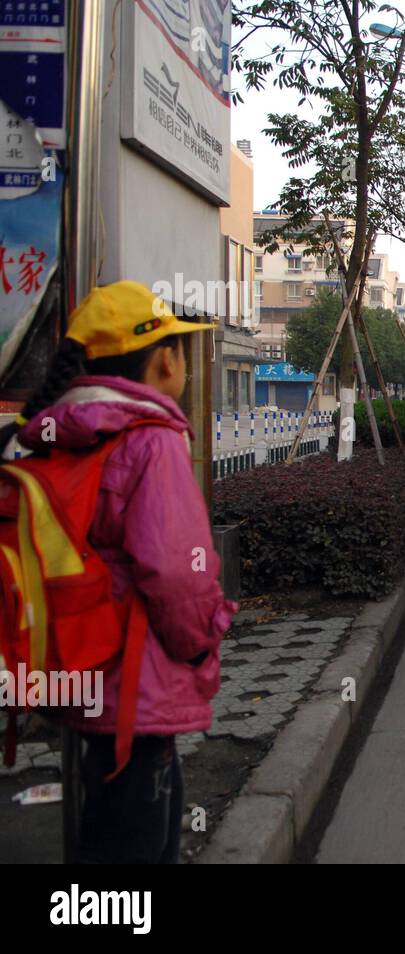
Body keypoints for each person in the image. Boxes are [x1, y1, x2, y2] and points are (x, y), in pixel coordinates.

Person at [1, 281, 237, 863]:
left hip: (77, 658)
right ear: (165, 359)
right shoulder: (151, 442)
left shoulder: (56, 432)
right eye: (181, 351)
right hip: (135, 679)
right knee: (130, 853)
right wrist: (200, 644)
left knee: (108, 834)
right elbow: (179, 573)